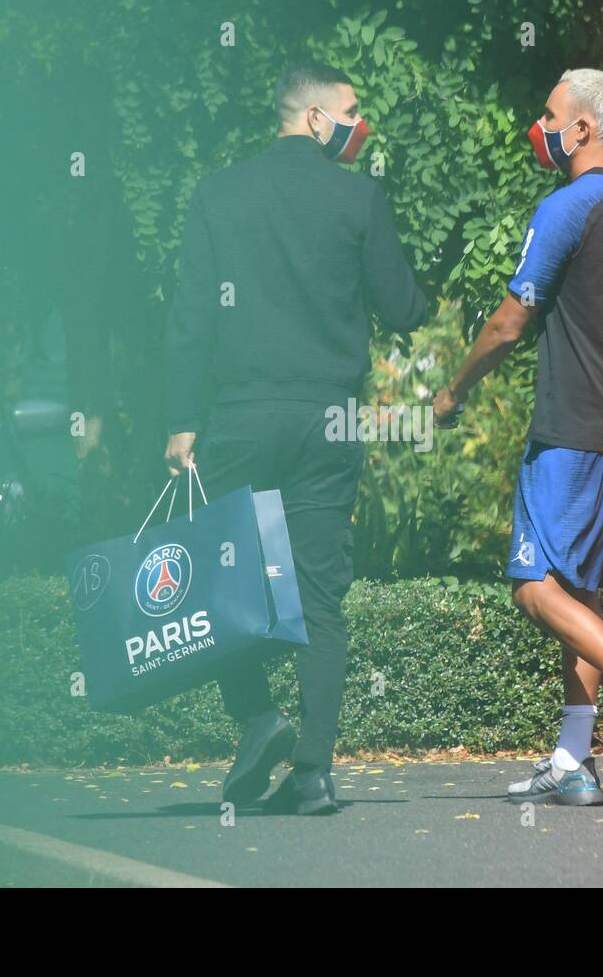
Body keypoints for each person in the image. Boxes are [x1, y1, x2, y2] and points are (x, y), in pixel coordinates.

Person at [161, 62, 429, 815]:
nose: (358, 125)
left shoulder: (217, 196)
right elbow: (402, 306)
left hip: (240, 418)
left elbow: (189, 318)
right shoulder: (359, 197)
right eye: (351, 112)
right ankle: (312, 771)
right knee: (319, 595)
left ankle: (256, 715)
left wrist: (181, 421)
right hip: (327, 420)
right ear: (315, 119)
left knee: (218, 581)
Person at [432, 68, 603, 801]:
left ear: (582, 129)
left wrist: (454, 388)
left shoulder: (567, 209)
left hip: (571, 430)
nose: (540, 127)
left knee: (532, 583)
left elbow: (510, 321)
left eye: (549, 115)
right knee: (582, 589)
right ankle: (574, 761)